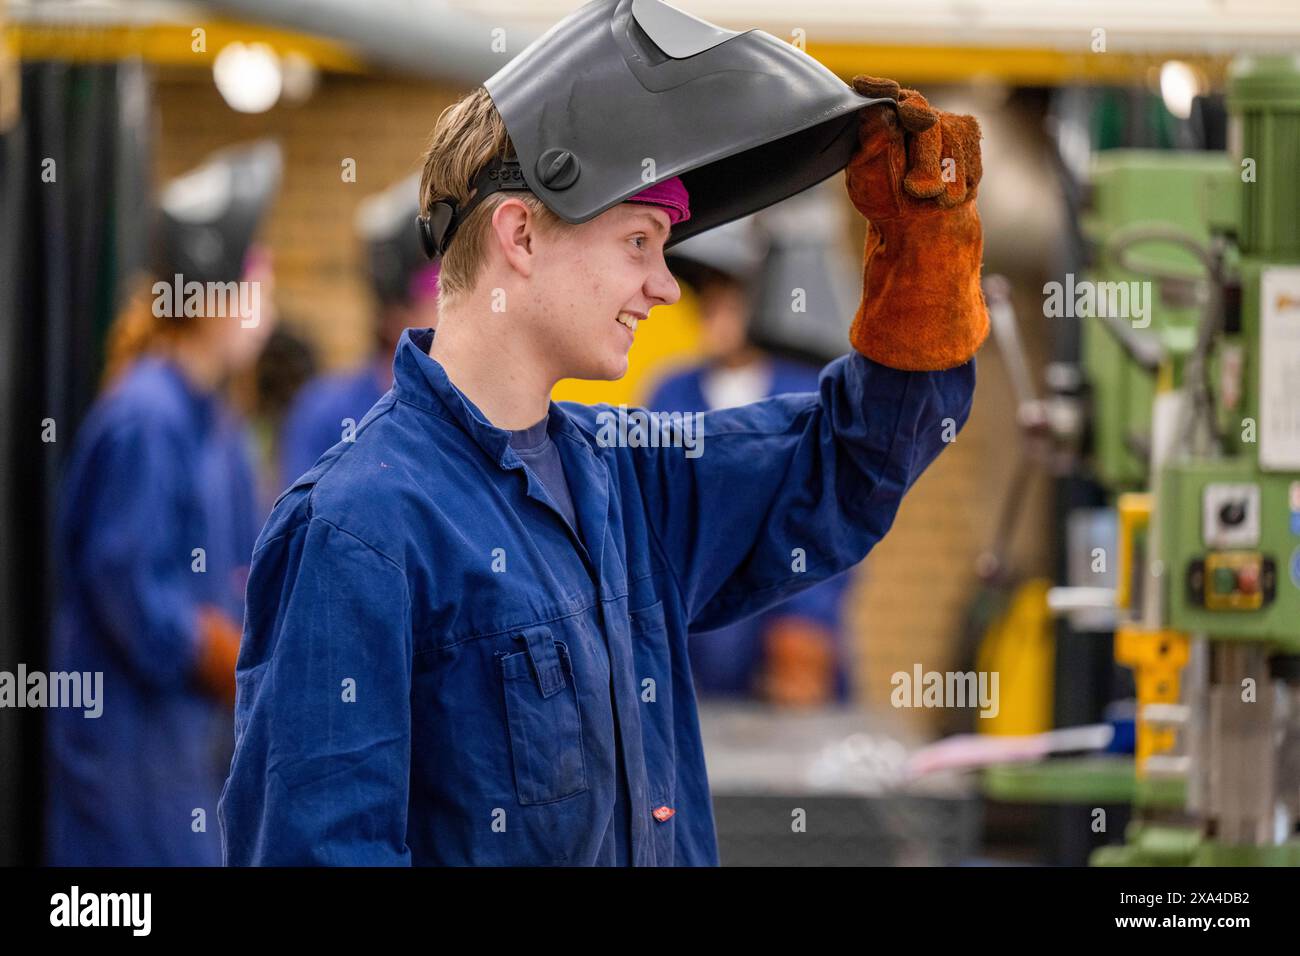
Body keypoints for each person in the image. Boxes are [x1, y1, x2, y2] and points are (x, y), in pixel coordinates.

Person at [220, 0, 986, 866]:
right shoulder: (357, 531)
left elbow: (847, 462)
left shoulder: (626, 479)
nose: (664, 287)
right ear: (521, 234)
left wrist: (919, 259)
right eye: (639, 241)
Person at [45, 141, 281, 866]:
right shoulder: (146, 419)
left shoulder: (213, 418)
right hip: (131, 766)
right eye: (254, 279)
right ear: (211, 293)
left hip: (183, 756)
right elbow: (131, 593)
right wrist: (227, 658)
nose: (267, 302)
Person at [648, 213, 854, 706]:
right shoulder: (669, 393)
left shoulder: (808, 392)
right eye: (709, 293)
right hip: (692, 643)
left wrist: (809, 622)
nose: (718, 308)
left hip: (788, 634)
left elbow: (830, 519)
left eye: (733, 292)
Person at [278, 174, 441, 490]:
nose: (452, 299)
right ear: (394, 309)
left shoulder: (479, 416)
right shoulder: (326, 414)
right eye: (436, 284)